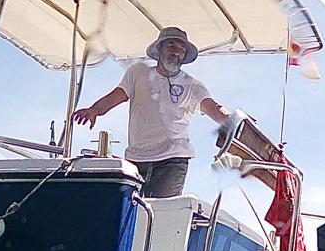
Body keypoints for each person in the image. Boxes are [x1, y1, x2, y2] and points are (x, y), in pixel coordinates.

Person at [72, 28, 241, 199]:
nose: (176, 51)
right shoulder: (138, 73)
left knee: (160, 211)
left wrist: (231, 119)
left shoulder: (193, 85)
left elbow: (212, 107)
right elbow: (116, 96)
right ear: (159, 49)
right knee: (131, 210)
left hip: (173, 160)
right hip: (136, 158)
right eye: (171, 45)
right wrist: (94, 110)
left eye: (181, 49)